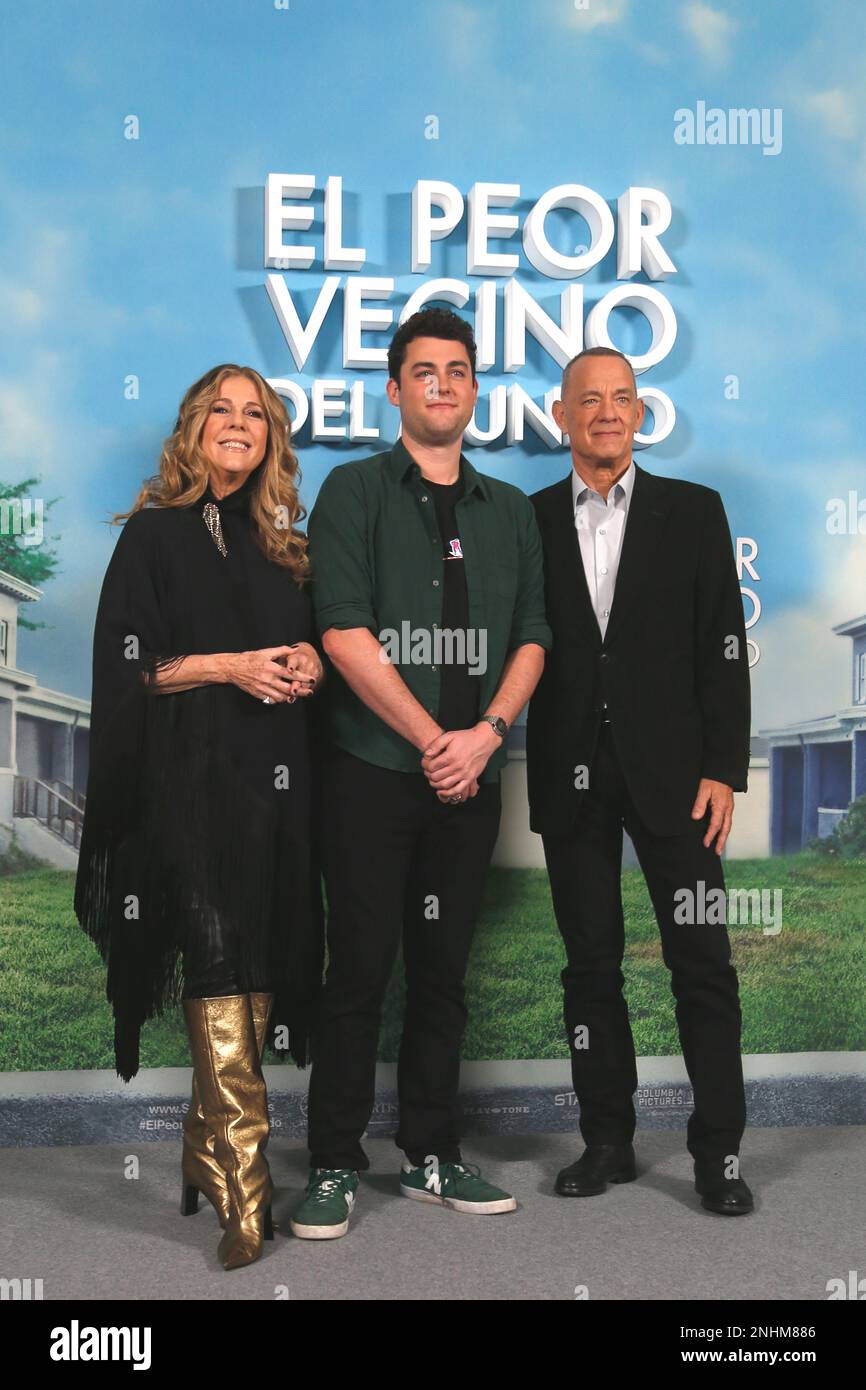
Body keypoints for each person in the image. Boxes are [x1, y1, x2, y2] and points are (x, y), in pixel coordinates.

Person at [291, 307, 551, 1238]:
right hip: (371, 772)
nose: (443, 384)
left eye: (459, 370)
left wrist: (481, 735)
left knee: (443, 976)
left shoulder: (510, 510)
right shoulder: (353, 490)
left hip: (472, 776)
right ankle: (331, 1165)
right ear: (394, 389)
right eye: (424, 371)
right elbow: (343, 629)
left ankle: (433, 1156)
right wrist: (431, 740)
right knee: (358, 970)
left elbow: (533, 635)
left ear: (475, 389)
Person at [74, 364, 325, 1268]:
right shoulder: (154, 536)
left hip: (276, 791)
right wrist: (227, 666)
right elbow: (131, 666)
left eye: (253, 413)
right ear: (193, 427)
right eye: (220, 409)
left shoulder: (285, 546)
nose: (237, 423)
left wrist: (304, 667)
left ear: (271, 437)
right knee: (217, 962)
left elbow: (307, 655)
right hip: (185, 790)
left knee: (254, 978)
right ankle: (245, 1191)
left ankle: (198, 1145)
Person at [527, 347, 754, 1215]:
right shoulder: (530, 518)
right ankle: (607, 1142)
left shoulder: (695, 513)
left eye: (621, 397)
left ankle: (717, 1154)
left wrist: (723, 771)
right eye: (590, 400)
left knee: (703, 965)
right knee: (590, 969)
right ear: (564, 416)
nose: (607, 412)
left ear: (641, 413)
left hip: (680, 784)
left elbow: (722, 650)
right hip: (571, 778)